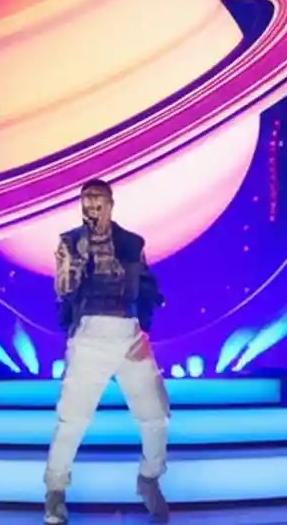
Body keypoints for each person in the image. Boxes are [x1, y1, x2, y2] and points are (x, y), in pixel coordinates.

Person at [43, 179, 170, 524]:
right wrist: (78, 256)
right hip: (90, 334)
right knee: (72, 418)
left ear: (111, 204)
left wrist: (145, 323)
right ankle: (55, 490)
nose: (92, 207)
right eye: (86, 201)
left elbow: (145, 284)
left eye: (98, 200)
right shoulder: (70, 242)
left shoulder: (132, 243)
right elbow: (63, 290)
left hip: (129, 333)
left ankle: (149, 479)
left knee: (156, 413)